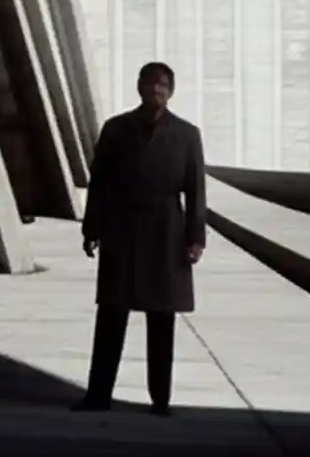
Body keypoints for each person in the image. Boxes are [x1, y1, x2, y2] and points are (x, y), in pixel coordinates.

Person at [71, 61, 207, 417]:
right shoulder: (116, 129)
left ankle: (160, 399)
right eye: (150, 84)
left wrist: (196, 237)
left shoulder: (187, 134)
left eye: (162, 85)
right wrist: (92, 228)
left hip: (167, 232)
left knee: (162, 318)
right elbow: (99, 182)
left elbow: (195, 190)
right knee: (112, 314)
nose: (155, 91)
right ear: (139, 87)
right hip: (122, 228)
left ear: (171, 91)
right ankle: (98, 395)